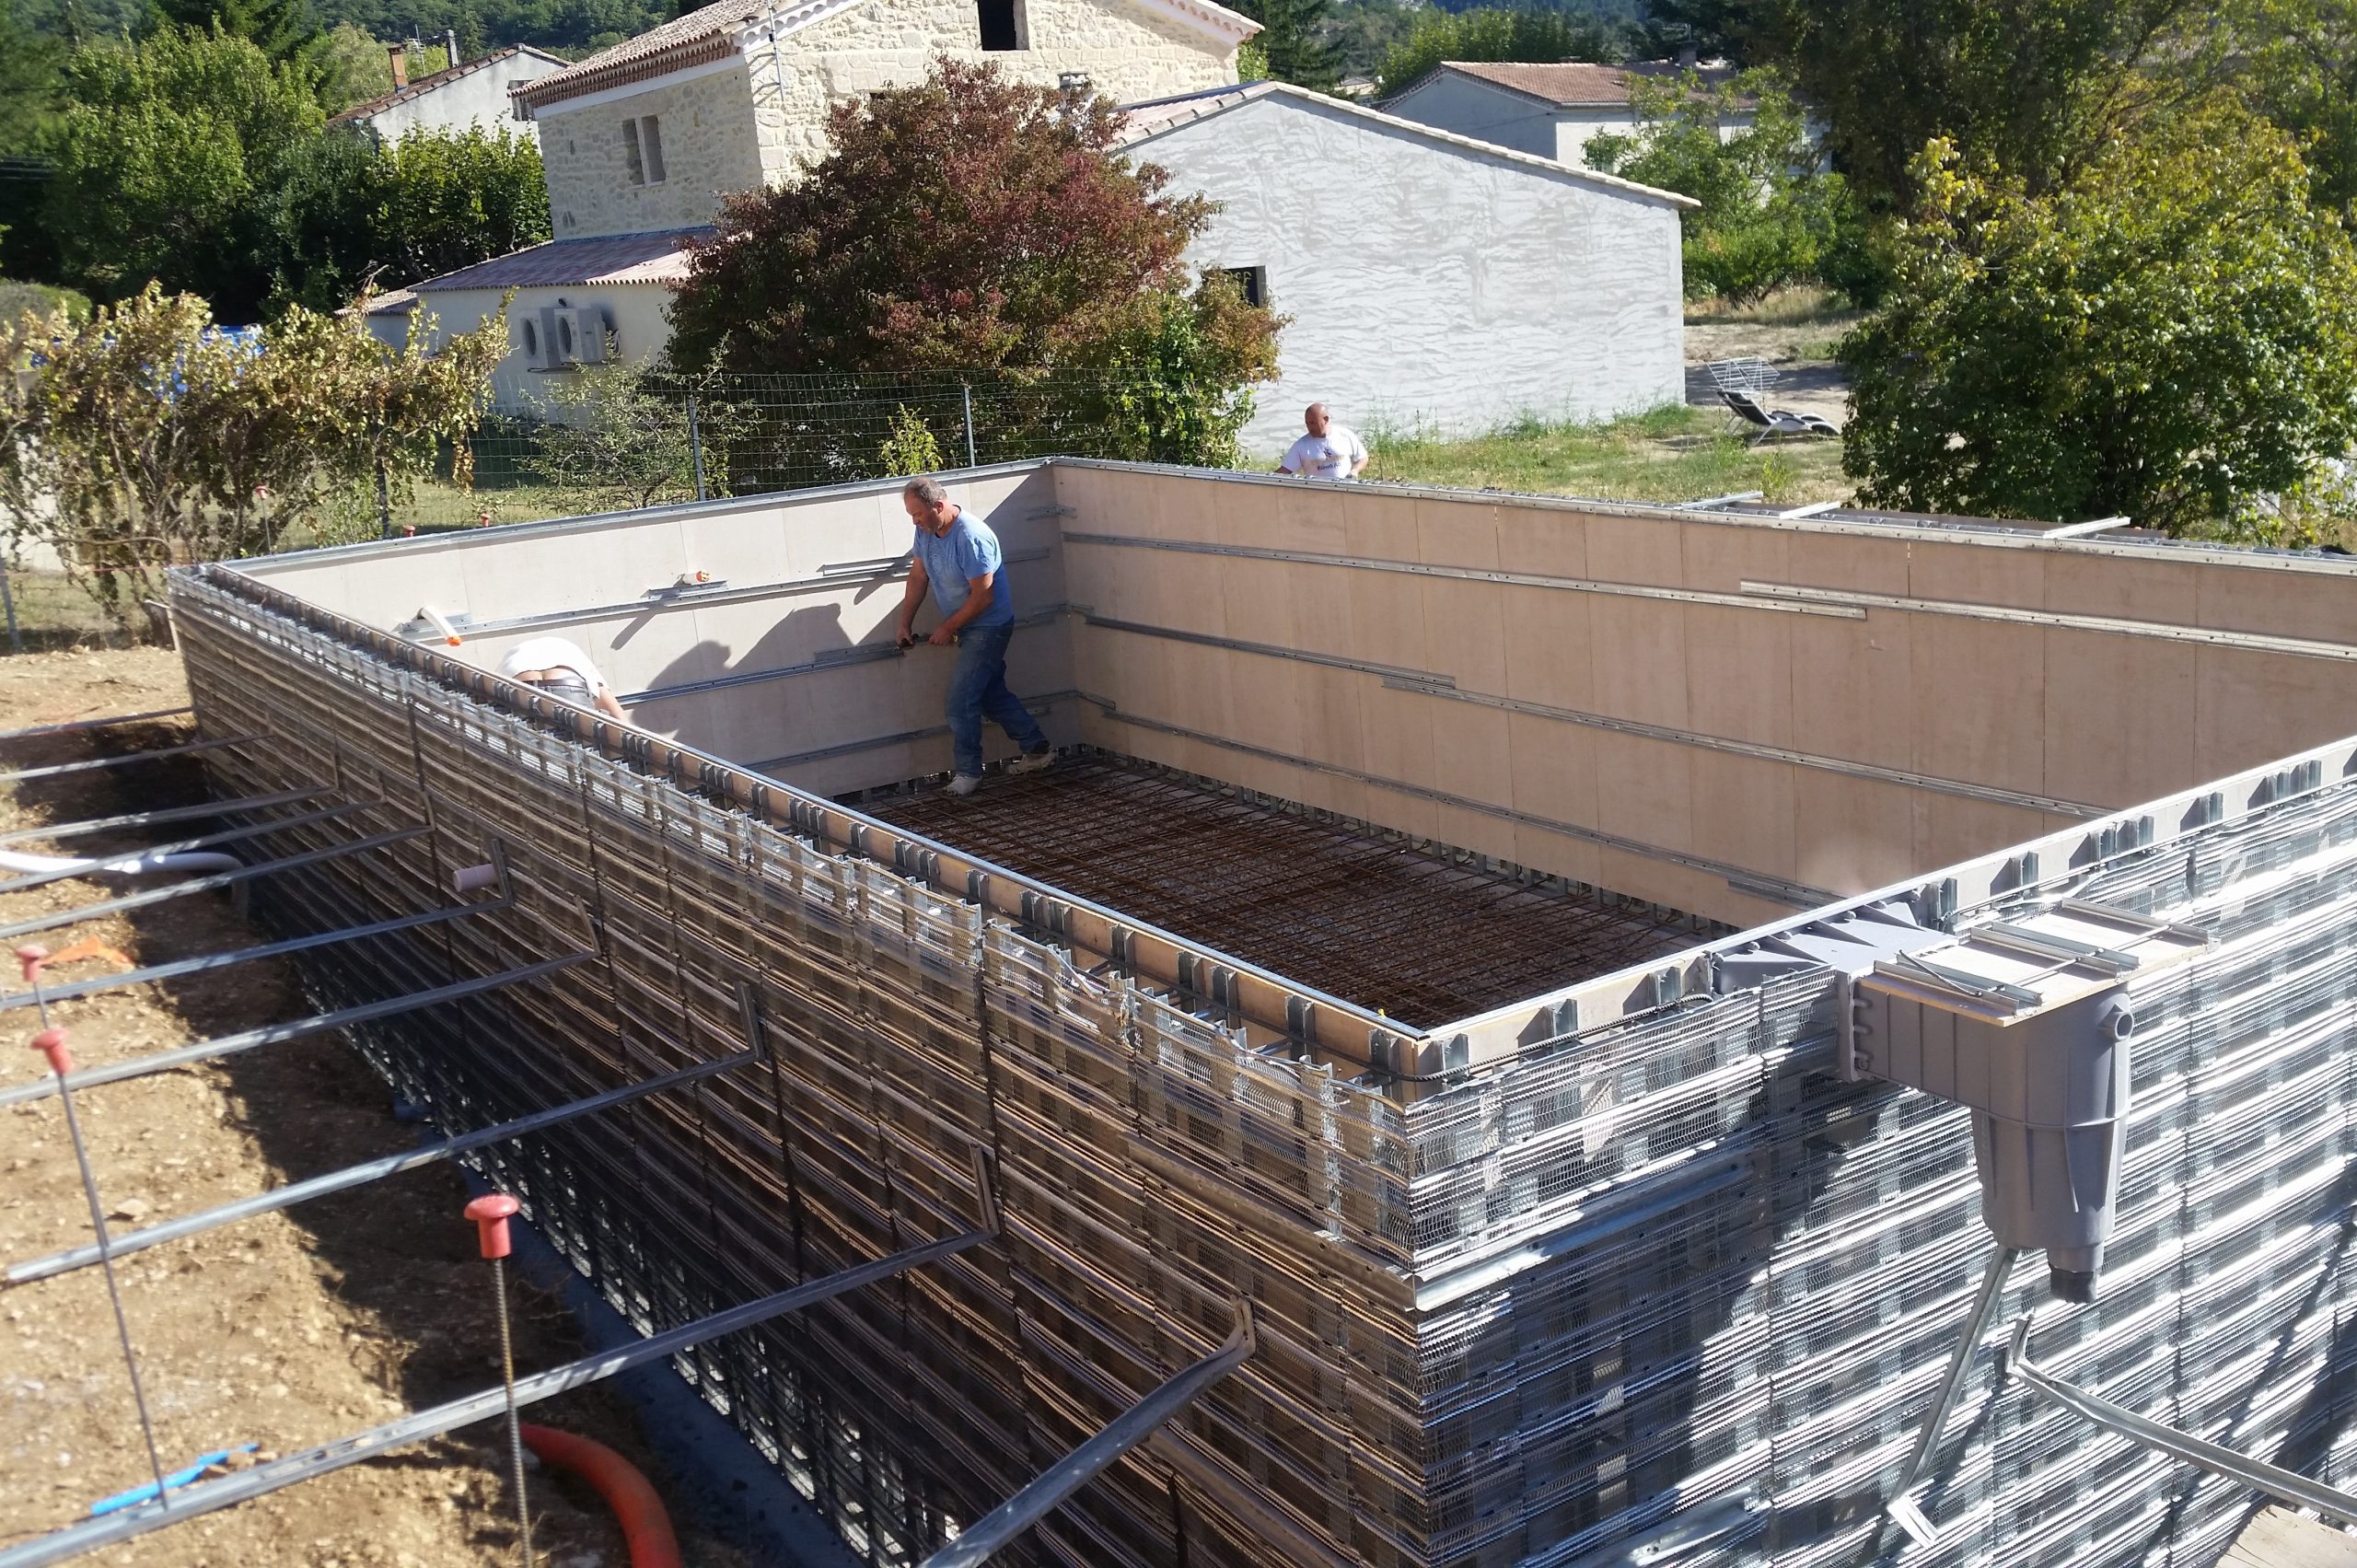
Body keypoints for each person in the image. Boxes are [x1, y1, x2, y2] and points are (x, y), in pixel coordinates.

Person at [895, 477, 1053, 797]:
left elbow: (984, 598)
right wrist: (904, 623)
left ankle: (968, 773)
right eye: (910, 514)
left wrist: (947, 628)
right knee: (990, 696)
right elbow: (918, 576)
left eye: (917, 513)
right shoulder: (926, 530)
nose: (914, 521)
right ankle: (1038, 749)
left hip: (989, 627)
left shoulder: (972, 538)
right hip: (966, 626)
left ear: (938, 506)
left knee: (959, 701)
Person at [497, 636, 630, 723]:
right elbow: (619, 718)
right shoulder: (576, 658)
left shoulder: (513, 656)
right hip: (567, 683)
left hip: (520, 685)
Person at [1277, 403, 1370, 481]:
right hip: (1318, 494)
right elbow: (1284, 471)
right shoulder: (1300, 446)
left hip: (1346, 490)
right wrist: (1264, 482)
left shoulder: (1345, 435)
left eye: (1313, 423)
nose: (1309, 427)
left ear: (1326, 420)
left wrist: (1355, 471)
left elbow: (1362, 458)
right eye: (1307, 423)